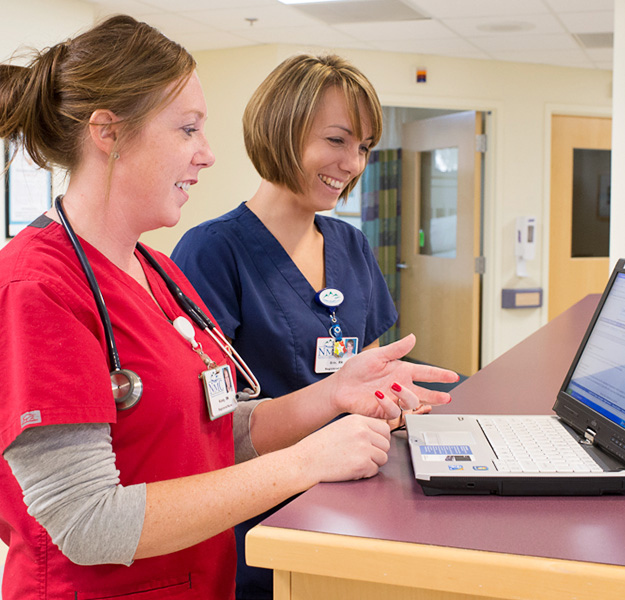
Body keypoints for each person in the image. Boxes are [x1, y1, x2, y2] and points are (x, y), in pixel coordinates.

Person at [0, 16, 458, 600]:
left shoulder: (157, 272)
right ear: (109, 133)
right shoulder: (36, 286)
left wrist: (334, 392)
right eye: (187, 130)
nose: (208, 155)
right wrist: (304, 464)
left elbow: (214, 429)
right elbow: (86, 521)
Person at [171, 53, 433, 599]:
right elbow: (203, 426)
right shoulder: (212, 252)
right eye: (337, 141)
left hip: (355, 504)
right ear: (282, 130)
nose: (353, 162)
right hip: (257, 526)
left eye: (362, 147)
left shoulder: (351, 246)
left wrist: (397, 401)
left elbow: (373, 371)